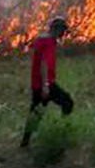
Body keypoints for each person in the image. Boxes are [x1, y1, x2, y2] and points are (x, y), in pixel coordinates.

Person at [20, 16, 74, 148]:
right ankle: (62, 133)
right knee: (67, 102)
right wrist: (46, 86)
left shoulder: (41, 40)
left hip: (37, 84)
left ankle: (25, 142)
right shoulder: (49, 42)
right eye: (62, 31)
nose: (63, 34)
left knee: (36, 112)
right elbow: (44, 63)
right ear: (56, 30)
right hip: (45, 84)